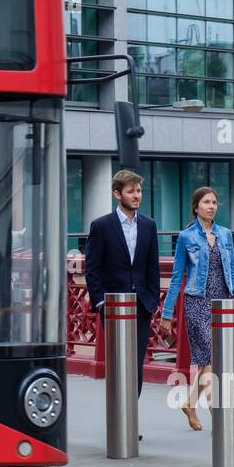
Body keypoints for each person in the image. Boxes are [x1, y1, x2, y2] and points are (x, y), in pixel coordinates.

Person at [159, 186, 234, 432]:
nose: (211, 206)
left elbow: (233, 274)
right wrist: (166, 314)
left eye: (214, 202)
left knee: (212, 358)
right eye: (206, 202)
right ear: (196, 207)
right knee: (212, 355)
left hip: (222, 305)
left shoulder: (226, 235)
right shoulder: (186, 237)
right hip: (196, 304)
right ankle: (214, 409)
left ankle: (189, 403)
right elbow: (177, 277)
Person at [84, 169, 160, 408]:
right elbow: (92, 268)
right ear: (118, 194)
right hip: (113, 306)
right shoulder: (101, 226)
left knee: (136, 364)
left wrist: (152, 300)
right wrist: (100, 302)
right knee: (120, 363)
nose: (136, 195)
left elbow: (152, 267)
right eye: (131, 191)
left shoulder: (149, 225)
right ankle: (118, 420)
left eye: (138, 191)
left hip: (141, 305)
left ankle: (129, 418)